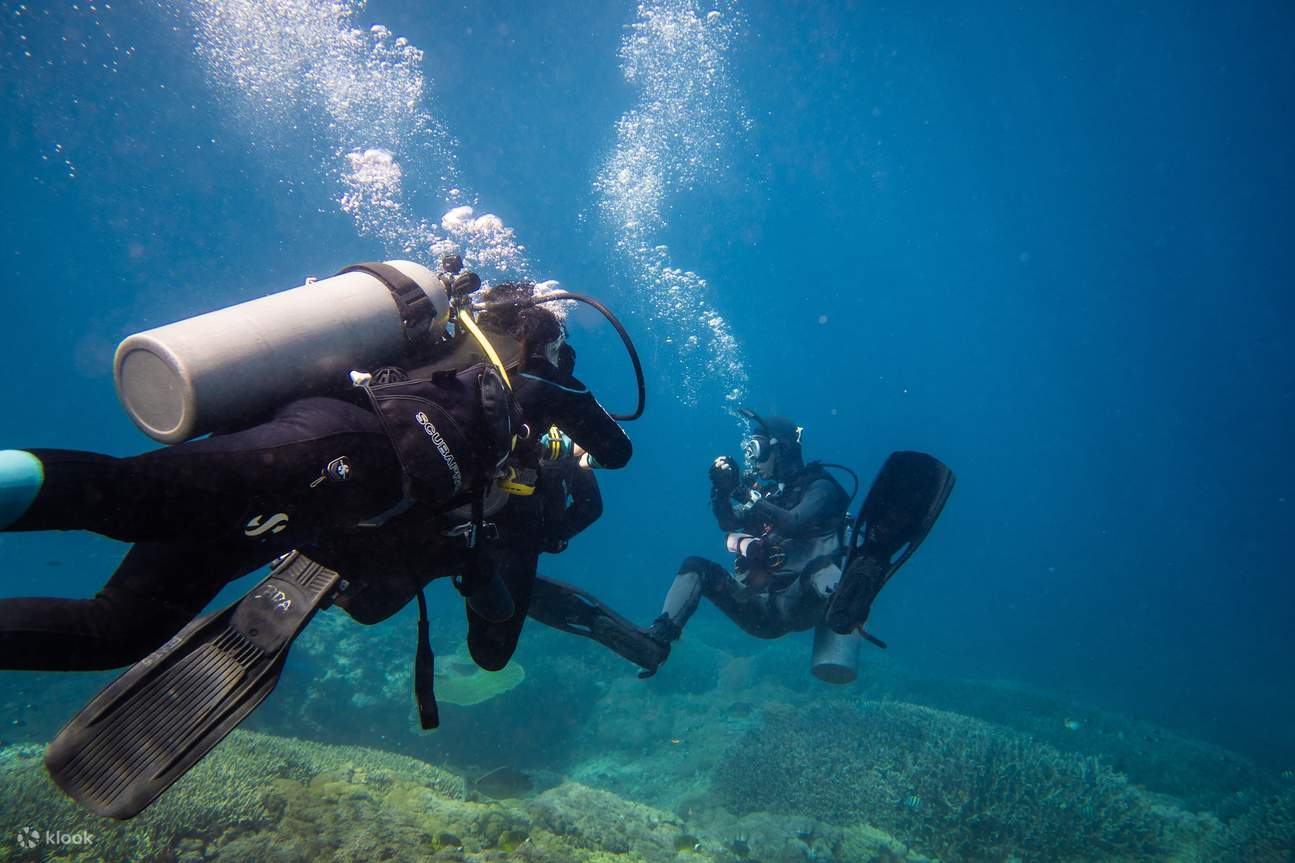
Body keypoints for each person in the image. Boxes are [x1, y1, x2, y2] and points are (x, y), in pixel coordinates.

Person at [4, 262, 640, 819]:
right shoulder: (544, 382)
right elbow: (618, 450)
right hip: (341, 453)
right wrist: (564, 432)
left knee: (118, 628)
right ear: (543, 340)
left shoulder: (439, 346)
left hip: (320, 483)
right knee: (129, 501)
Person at [638, 409, 955, 684]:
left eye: (758, 448)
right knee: (696, 566)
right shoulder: (772, 496)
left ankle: (848, 606)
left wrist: (744, 493)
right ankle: (659, 638)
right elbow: (729, 523)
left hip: (801, 603)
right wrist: (721, 493)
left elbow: (794, 522)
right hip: (760, 607)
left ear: (782, 447)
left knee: (820, 570)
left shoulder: (823, 487)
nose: (753, 458)